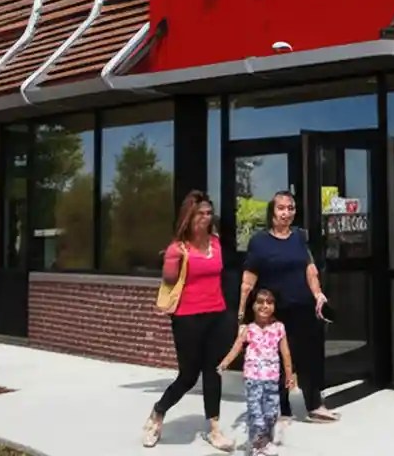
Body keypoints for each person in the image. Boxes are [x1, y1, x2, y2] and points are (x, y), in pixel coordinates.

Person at [239, 190, 340, 432]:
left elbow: (310, 269)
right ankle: (281, 407)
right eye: (281, 208)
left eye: (291, 208)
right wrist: (242, 313)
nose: (286, 213)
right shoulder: (259, 242)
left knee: (310, 357)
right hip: (276, 311)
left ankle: (314, 404)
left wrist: (318, 294)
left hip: (304, 307)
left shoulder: (299, 237)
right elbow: (248, 279)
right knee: (278, 358)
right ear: (272, 212)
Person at [142, 190, 234, 451]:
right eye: (200, 214)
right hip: (187, 318)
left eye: (208, 213)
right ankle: (158, 413)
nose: (206, 218)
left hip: (216, 314)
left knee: (213, 371)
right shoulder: (178, 248)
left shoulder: (216, 243)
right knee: (188, 376)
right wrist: (172, 261)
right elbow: (170, 281)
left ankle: (214, 429)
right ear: (189, 217)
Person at [218, 288, 295, 456]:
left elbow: (286, 354)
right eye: (260, 302)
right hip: (253, 379)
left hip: (272, 379)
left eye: (269, 303)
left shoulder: (279, 328)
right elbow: (236, 347)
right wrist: (224, 363)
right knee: (256, 414)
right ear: (252, 305)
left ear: (275, 306)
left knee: (271, 413)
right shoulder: (249, 329)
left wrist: (289, 376)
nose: (264, 306)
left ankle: (265, 442)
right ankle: (256, 446)